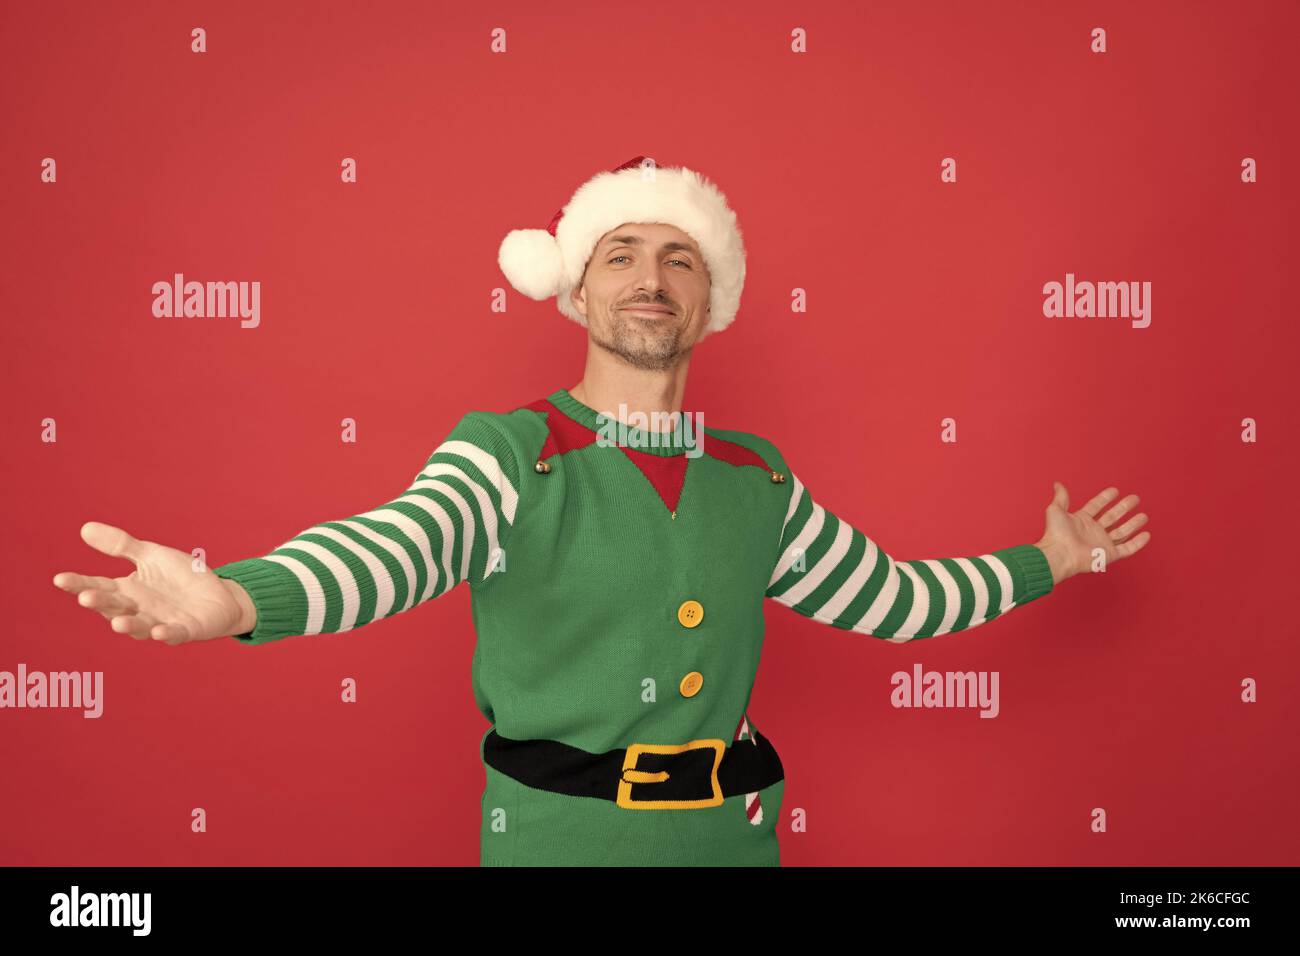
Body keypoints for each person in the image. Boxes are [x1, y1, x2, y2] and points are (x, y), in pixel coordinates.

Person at [52, 155, 1151, 866]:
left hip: (736, 838)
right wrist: (244, 596)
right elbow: (401, 544)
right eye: (619, 253)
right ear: (575, 292)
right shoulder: (511, 453)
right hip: (558, 840)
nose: (651, 278)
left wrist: (1048, 559)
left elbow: (895, 599)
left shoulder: (754, 476)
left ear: (712, 303)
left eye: (682, 259)